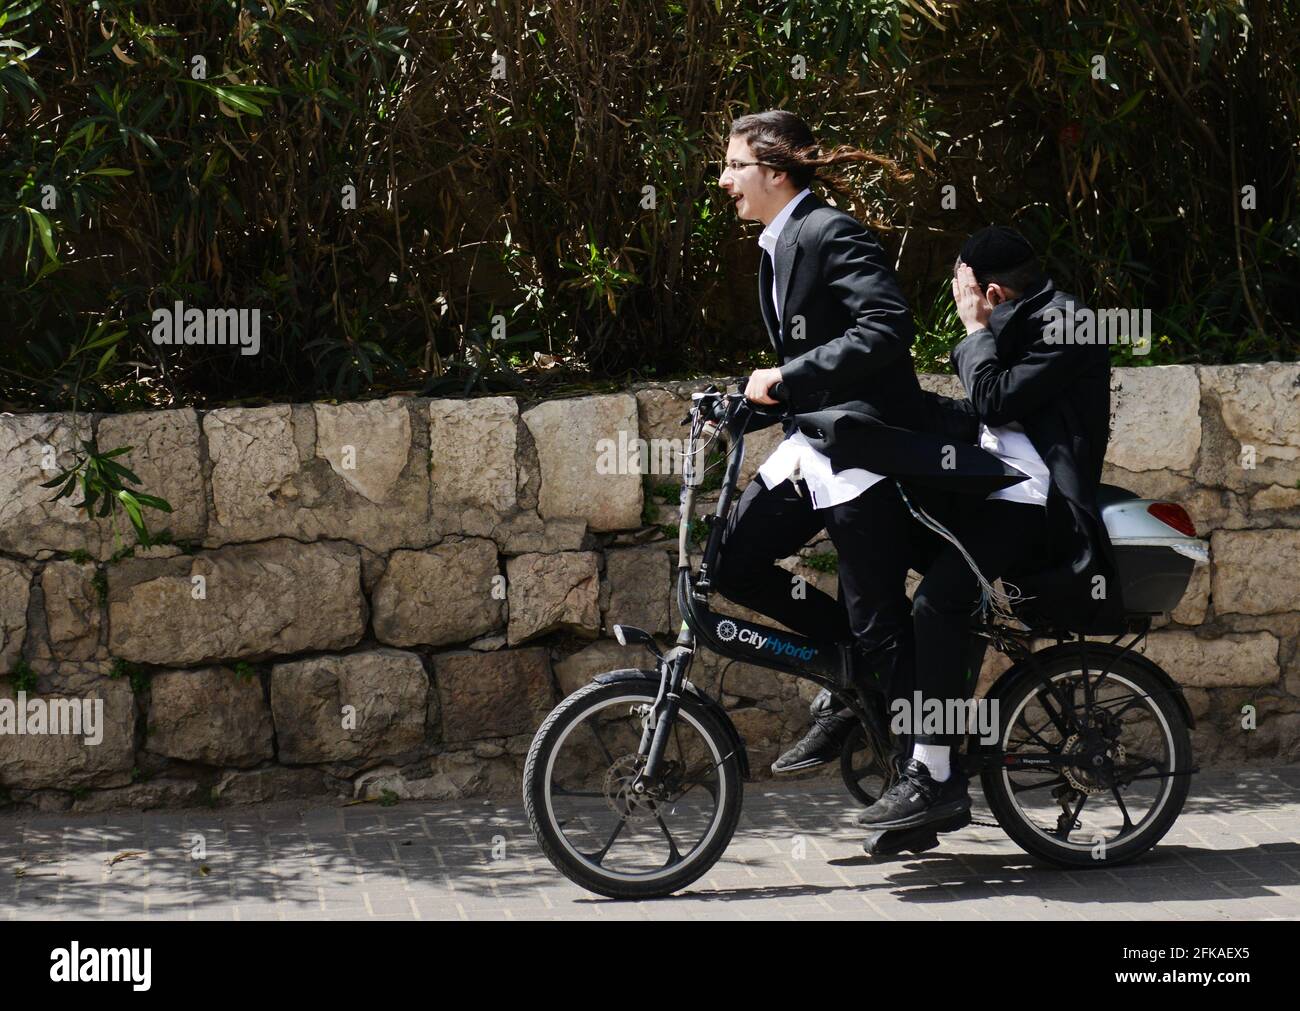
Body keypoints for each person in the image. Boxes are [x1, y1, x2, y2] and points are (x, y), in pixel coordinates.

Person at [856, 225, 1125, 832]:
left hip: (1036, 506)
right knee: (876, 534)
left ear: (995, 293)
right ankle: (860, 701)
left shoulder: (1068, 323)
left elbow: (996, 400)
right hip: (992, 491)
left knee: (937, 602)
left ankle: (935, 775)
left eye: (964, 290)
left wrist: (976, 330)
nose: (958, 299)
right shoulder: (1028, 316)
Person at [712, 110, 931, 741]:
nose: (726, 181)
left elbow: (886, 328)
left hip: (860, 452)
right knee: (732, 561)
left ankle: (929, 773)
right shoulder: (781, 241)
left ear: (774, 172)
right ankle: (851, 671)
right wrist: (744, 405)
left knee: (879, 622)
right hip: (812, 448)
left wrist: (786, 377)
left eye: (735, 166)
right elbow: (817, 362)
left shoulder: (828, 231)